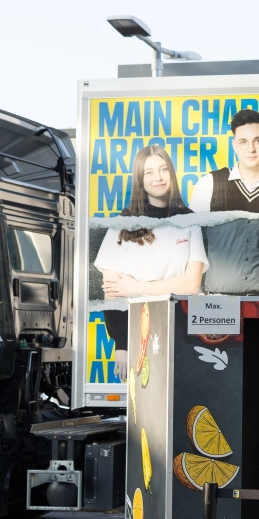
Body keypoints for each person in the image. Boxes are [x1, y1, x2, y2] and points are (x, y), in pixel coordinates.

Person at [94, 145, 204, 378]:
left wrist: (137, 288)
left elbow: (192, 284)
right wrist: (122, 344)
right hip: (137, 334)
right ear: (140, 180)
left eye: (163, 169)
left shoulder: (190, 220)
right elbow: (112, 294)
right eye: (150, 172)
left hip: (182, 330)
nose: (158, 178)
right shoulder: (122, 223)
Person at [187, 109, 259, 296]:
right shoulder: (209, 185)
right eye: (243, 142)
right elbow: (186, 241)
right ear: (234, 145)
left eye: (258, 141)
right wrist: (197, 289)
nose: (251, 149)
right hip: (217, 305)